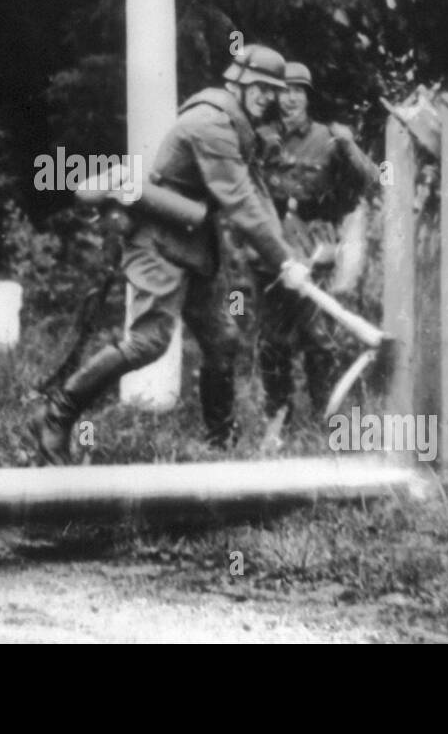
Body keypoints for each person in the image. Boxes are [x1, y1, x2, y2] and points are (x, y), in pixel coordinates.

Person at [27, 44, 316, 464]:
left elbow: (259, 195)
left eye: (274, 91)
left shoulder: (237, 126)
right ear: (236, 80)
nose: (268, 97)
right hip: (158, 243)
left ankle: (221, 443)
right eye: (260, 87)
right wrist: (284, 261)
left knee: (222, 340)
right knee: (149, 343)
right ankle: (55, 415)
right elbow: (239, 202)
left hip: (194, 245)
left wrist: (287, 257)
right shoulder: (209, 125)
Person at [254, 60, 380, 426]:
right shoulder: (260, 136)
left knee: (318, 338)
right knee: (273, 339)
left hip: (314, 249)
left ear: (307, 96)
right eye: (282, 90)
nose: (289, 98)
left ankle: (325, 417)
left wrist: (350, 144)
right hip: (272, 250)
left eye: (297, 91)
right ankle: (277, 417)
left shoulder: (328, 138)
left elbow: (372, 179)